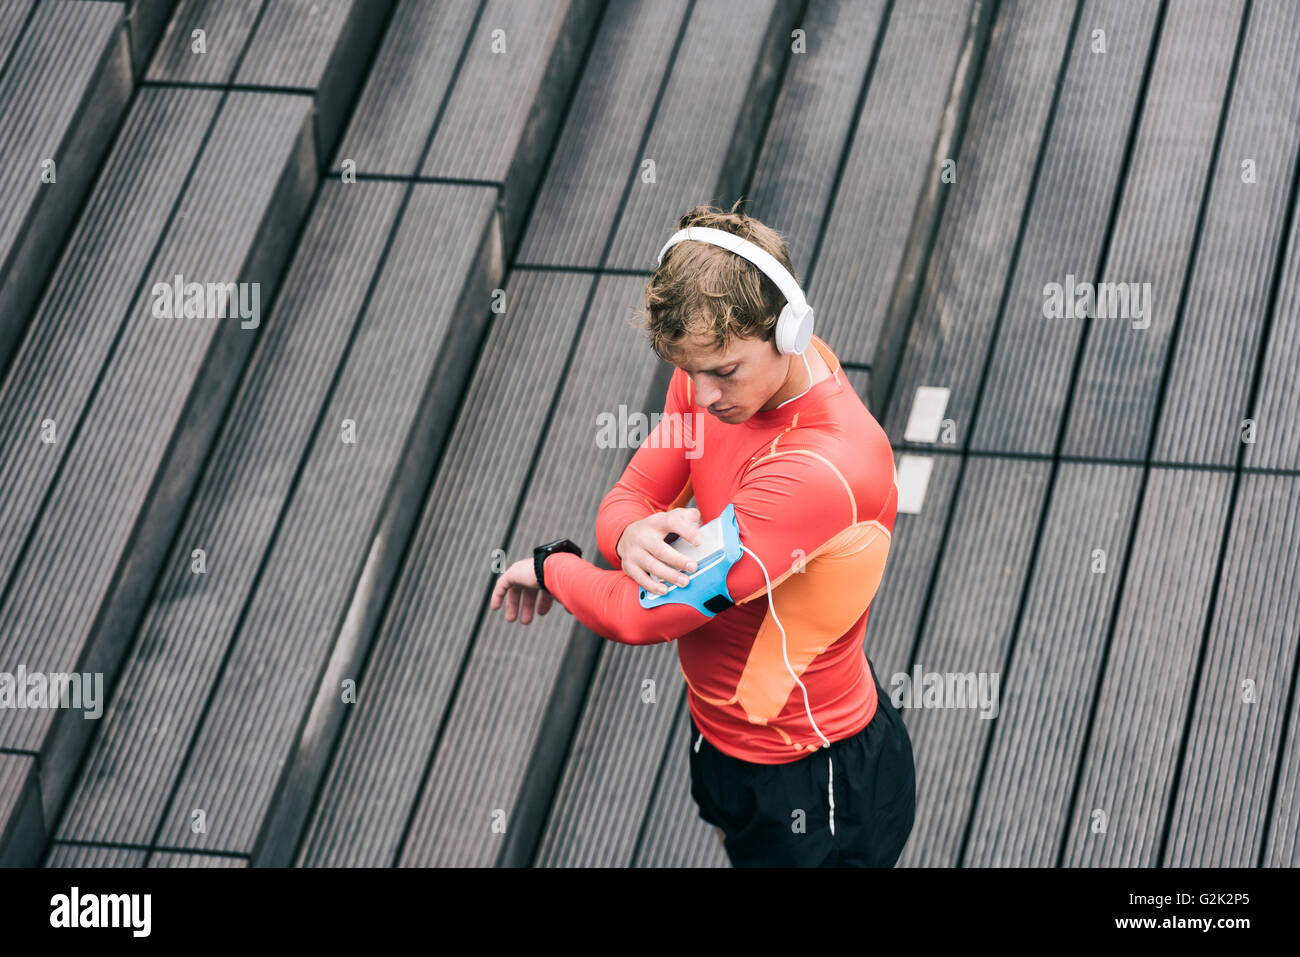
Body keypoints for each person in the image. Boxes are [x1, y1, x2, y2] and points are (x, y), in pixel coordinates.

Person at [490, 201, 914, 867]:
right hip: (721, 739)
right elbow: (632, 494)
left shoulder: (817, 470)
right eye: (689, 369)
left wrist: (553, 568)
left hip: (816, 774)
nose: (704, 394)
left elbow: (644, 614)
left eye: (724, 371)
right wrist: (627, 533)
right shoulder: (712, 367)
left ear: (790, 331)